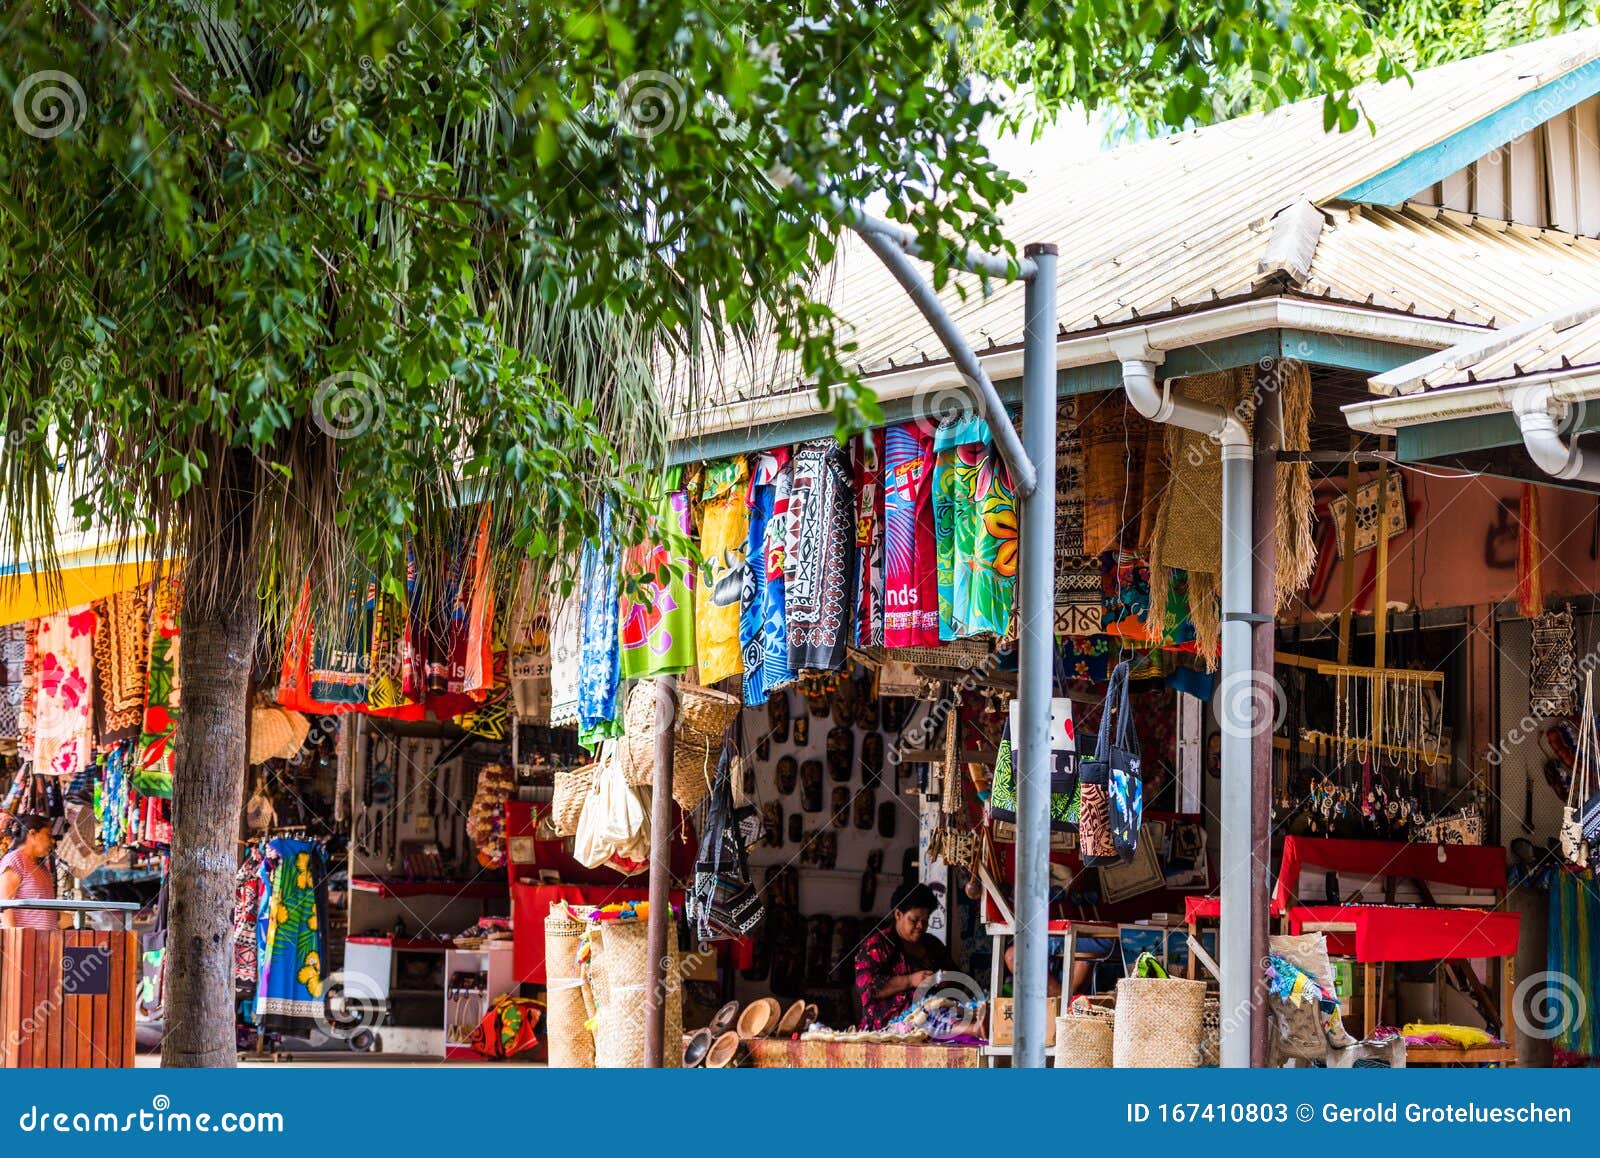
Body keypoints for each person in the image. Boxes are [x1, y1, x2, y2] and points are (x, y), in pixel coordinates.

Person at [854, 881, 954, 1029]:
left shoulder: (933, 945)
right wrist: (910, 980)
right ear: (898, 914)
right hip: (886, 1030)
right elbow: (869, 988)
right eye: (914, 920)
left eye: (925, 920)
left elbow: (955, 976)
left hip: (934, 1025)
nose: (920, 926)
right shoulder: (878, 945)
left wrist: (945, 980)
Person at [0, 815, 59, 931]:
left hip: (43, 943)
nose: (52, 841)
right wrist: (14, 942)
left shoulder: (42, 868)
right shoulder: (14, 861)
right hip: (24, 944)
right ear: (32, 834)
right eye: (48, 835)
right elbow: (4, 905)